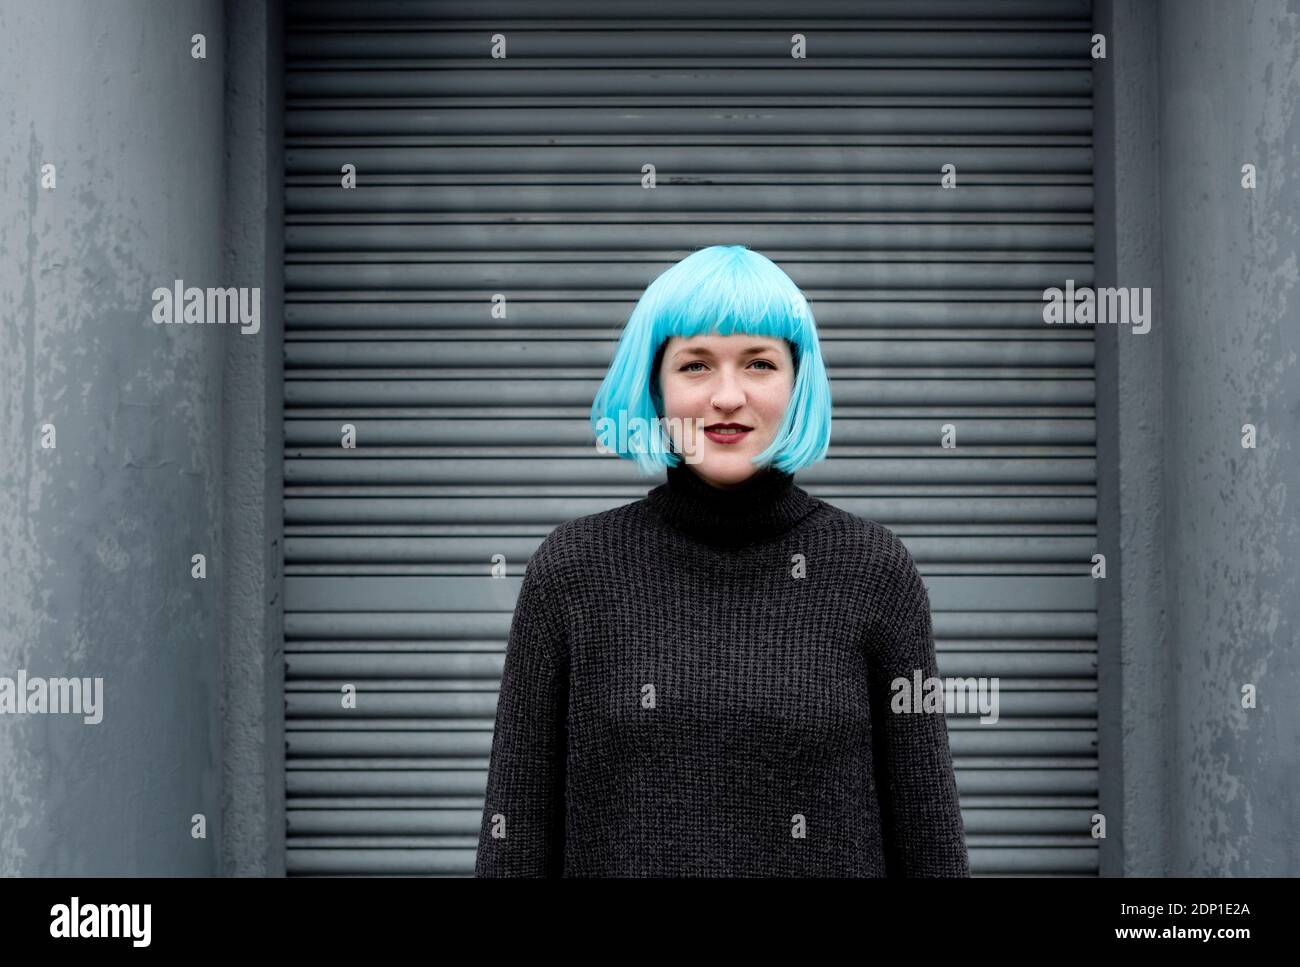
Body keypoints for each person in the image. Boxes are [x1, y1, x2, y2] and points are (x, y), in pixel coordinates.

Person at [474, 244, 970, 877]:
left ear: (798, 383)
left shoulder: (874, 571)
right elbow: (512, 846)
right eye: (696, 364)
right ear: (654, 384)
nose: (728, 396)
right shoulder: (573, 571)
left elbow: (930, 845)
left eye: (759, 363)